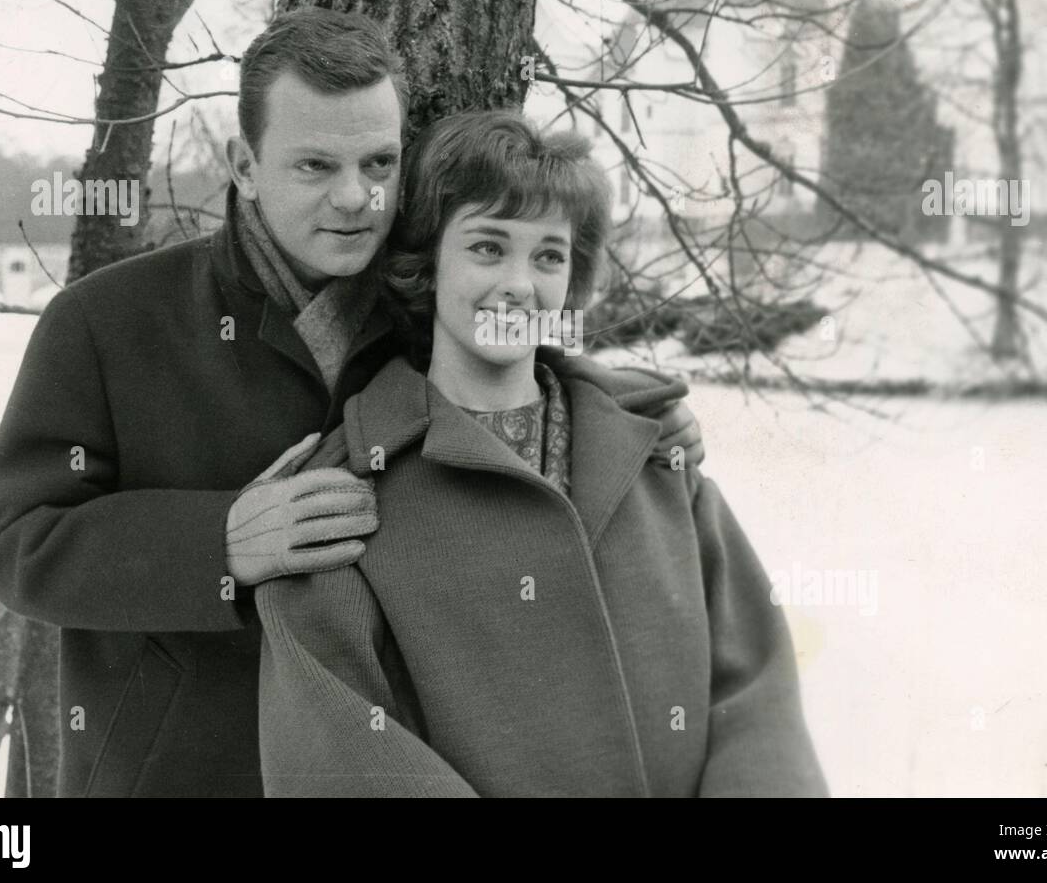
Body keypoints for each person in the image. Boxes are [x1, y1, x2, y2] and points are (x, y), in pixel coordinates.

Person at [0, 7, 702, 797]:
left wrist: (633, 413)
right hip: (180, 768)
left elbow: (521, 352)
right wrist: (219, 545)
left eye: (380, 163)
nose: (357, 198)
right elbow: (17, 542)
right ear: (244, 165)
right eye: (315, 166)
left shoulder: (420, 305)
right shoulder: (106, 320)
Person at [256, 110, 828, 797]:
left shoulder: (658, 461)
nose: (520, 285)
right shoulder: (344, 496)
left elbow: (756, 693)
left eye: (548, 255)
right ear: (428, 263)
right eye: (488, 247)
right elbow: (342, 755)